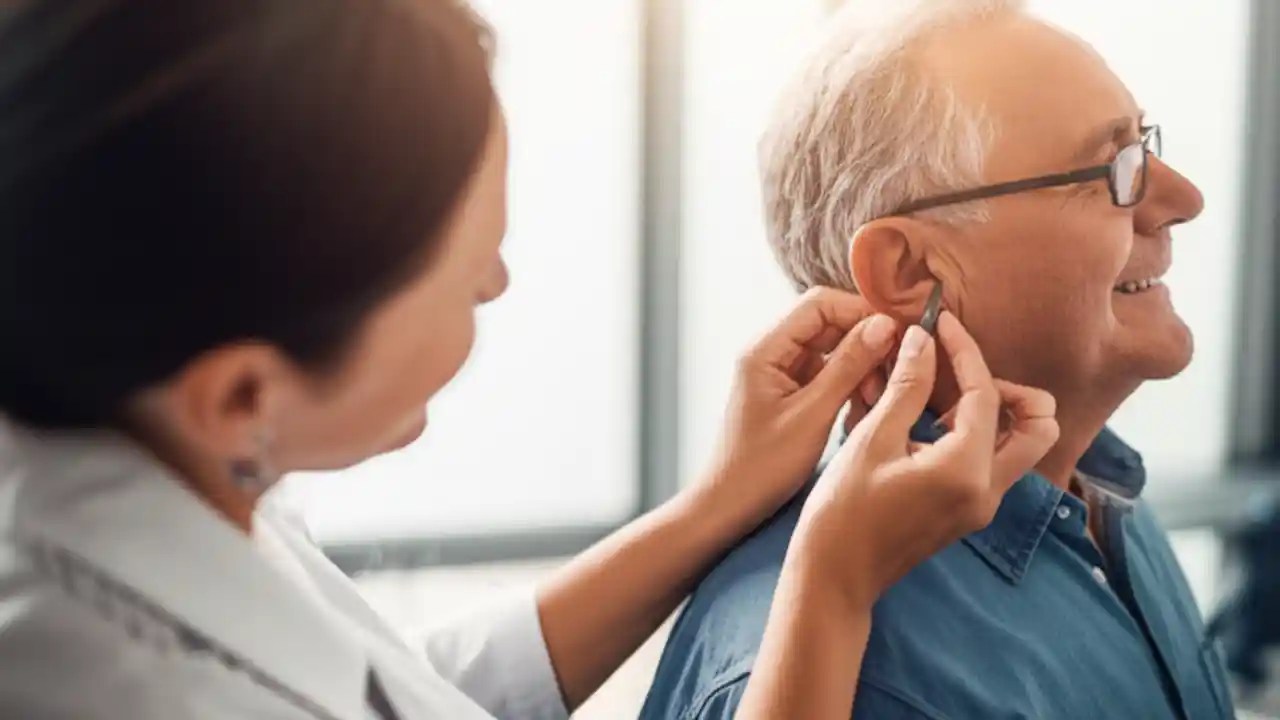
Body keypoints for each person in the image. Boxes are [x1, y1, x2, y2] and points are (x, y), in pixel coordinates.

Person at [0, 1, 1058, 718]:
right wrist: (829, 590)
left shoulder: (138, 443)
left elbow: (401, 688)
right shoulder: (98, 683)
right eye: (467, 277)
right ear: (241, 394)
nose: (500, 284)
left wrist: (716, 506)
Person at [641, 1, 1235, 719]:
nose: (1185, 199)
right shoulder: (858, 679)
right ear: (912, 271)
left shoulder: (1102, 495)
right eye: (1115, 169)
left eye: (1144, 145)